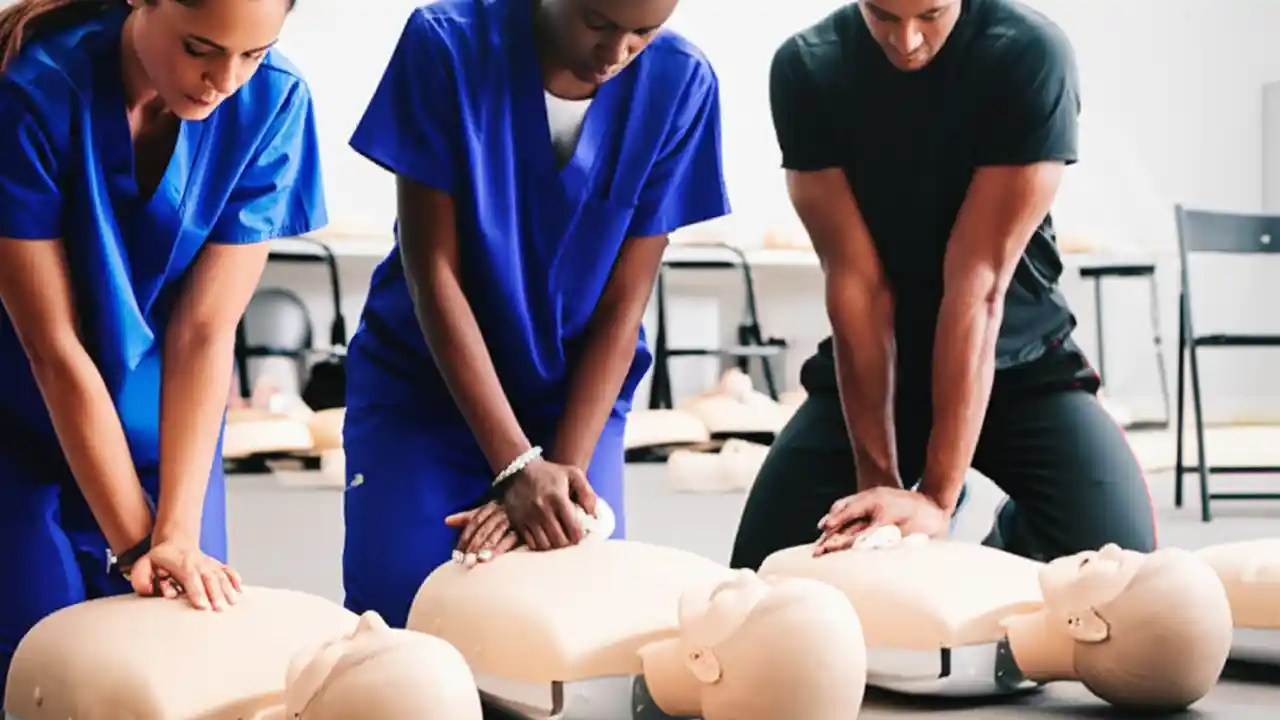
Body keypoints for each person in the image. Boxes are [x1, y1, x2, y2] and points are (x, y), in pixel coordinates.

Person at [729, 0, 1157, 571]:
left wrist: (937, 497)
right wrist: (876, 487)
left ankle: (1011, 534)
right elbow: (857, 287)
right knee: (760, 576)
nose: (906, 40)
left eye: (930, 15)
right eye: (883, 15)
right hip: (881, 370)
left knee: (1123, 572)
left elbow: (978, 285)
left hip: (1020, 360)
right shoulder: (809, 66)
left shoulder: (1027, 55)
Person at [342, 0, 729, 628]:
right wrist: (517, 464)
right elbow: (433, 271)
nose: (617, 54)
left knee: (572, 609)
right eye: (598, 24)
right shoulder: (446, 45)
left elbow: (622, 305)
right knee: (400, 615)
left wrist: (562, 474)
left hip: (576, 394)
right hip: (427, 382)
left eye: (644, 33)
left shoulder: (681, 83)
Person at [0, 0, 326, 691]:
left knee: (181, 664)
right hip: (20, 422)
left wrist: (175, 533)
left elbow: (204, 331)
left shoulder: (274, 104)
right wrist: (138, 547)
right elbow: (52, 347)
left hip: (170, 430)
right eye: (199, 48)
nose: (224, 82)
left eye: (253, 55)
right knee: (34, 668)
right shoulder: (31, 93)